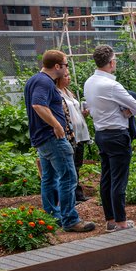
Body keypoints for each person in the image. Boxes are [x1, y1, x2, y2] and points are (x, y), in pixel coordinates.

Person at [26, 50, 94, 233]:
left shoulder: (34, 80)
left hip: (42, 139)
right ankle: (70, 219)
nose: (66, 69)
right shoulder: (44, 81)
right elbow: (38, 104)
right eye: (65, 65)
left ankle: (52, 215)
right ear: (57, 66)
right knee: (69, 178)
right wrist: (56, 125)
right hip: (53, 138)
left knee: (49, 178)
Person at [84, 45, 136, 231]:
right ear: (111, 63)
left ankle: (110, 220)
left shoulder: (89, 82)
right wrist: (126, 112)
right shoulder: (112, 86)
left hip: (101, 133)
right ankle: (121, 222)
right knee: (119, 180)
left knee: (107, 178)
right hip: (117, 134)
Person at [57, 68, 93, 205]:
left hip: (80, 133)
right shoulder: (57, 93)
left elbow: (74, 112)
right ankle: (71, 196)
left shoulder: (68, 92)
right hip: (70, 135)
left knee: (77, 164)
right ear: (58, 78)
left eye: (69, 75)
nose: (69, 78)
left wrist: (83, 113)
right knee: (70, 166)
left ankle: (78, 194)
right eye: (66, 76)